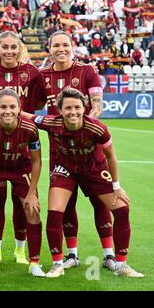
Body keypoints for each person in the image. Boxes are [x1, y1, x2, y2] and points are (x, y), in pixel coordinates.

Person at [24, 87, 144, 278]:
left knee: (122, 209)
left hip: (94, 169)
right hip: (66, 170)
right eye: (68, 108)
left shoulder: (97, 127)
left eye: (77, 108)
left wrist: (116, 186)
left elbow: (111, 157)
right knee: (54, 212)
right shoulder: (51, 122)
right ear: (60, 110)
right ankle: (57, 264)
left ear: (84, 108)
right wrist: (0, 112)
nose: (73, 112)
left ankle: (121, 264)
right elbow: (28, 116)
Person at [36, 30, 116, 272]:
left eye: (65, 45)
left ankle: (109, 255)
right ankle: (71, 254)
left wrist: (84, 127)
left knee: (100, 203)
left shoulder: (87, 71)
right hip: (59, 152)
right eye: (56, 45)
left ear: (73, 47)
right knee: (65, 204)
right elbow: (36, 105)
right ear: (49, 50)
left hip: (90, 150)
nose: (61, 49)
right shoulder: (43, 76)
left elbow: (97, 104)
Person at [0, 31, 43, 266]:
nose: (8, 51)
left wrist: (24, 117)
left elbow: (39, 100)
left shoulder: (31, 72)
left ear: (20, 49)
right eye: (4, 47)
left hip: (23, 146)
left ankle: (20, 250)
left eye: (13, 47)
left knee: (24, 203)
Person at [0, 88, 45, 277]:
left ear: (19, 108)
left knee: (32, 209)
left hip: (20, 169)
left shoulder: (30, 128)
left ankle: (34, 263)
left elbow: (37, 160)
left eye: (12, 106)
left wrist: (32, 193)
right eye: (3, 107)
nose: (8, 111)